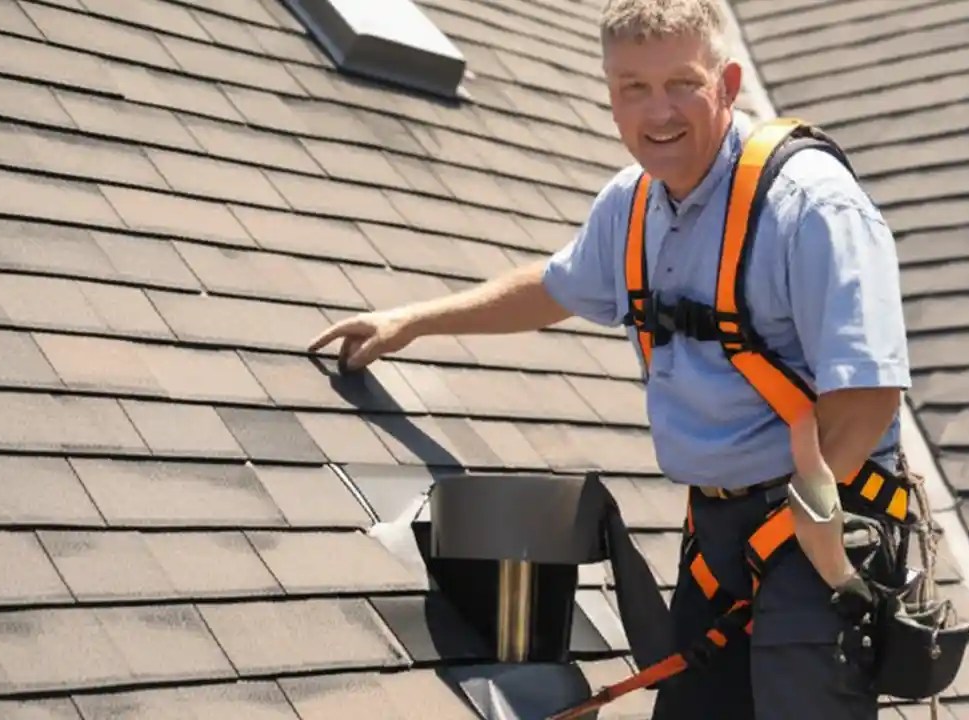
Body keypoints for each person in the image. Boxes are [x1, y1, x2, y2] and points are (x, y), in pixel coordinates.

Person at [307, 1, 910, 717]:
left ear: (729, 82)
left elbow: (869, 396)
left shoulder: (810, 207)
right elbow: (551, 289)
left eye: (682, 82)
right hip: (719, 534)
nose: (659, 112)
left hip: (821, 519)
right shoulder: (630, 208)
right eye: (634, 88)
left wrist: (793, 536)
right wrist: (412, 320)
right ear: (610, 95)